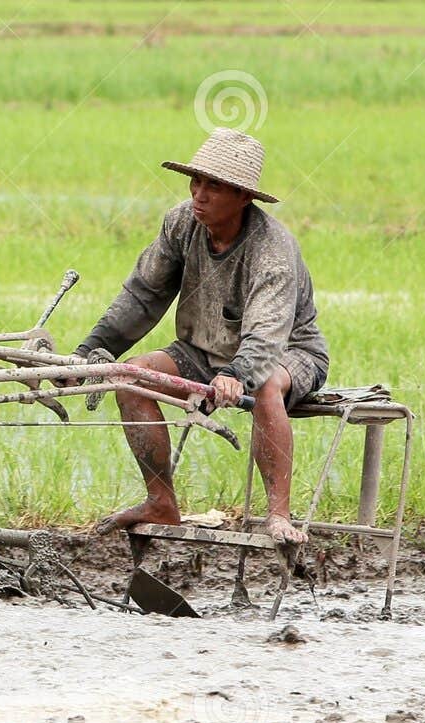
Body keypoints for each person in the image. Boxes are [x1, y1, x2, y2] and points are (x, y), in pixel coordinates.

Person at [74, 128, 328, 543]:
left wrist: (237, 374)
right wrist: (91, 352)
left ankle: (279, 515)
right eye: (196, 182)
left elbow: (266, 335)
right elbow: (144, 295)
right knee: (132, 375)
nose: (199, 195)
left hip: (287, 352)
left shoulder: (271, 249)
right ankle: (161, 502)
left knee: (265, 386)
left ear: (244, 197)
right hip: (201, 349)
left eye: (214, 186)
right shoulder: (181, 224)